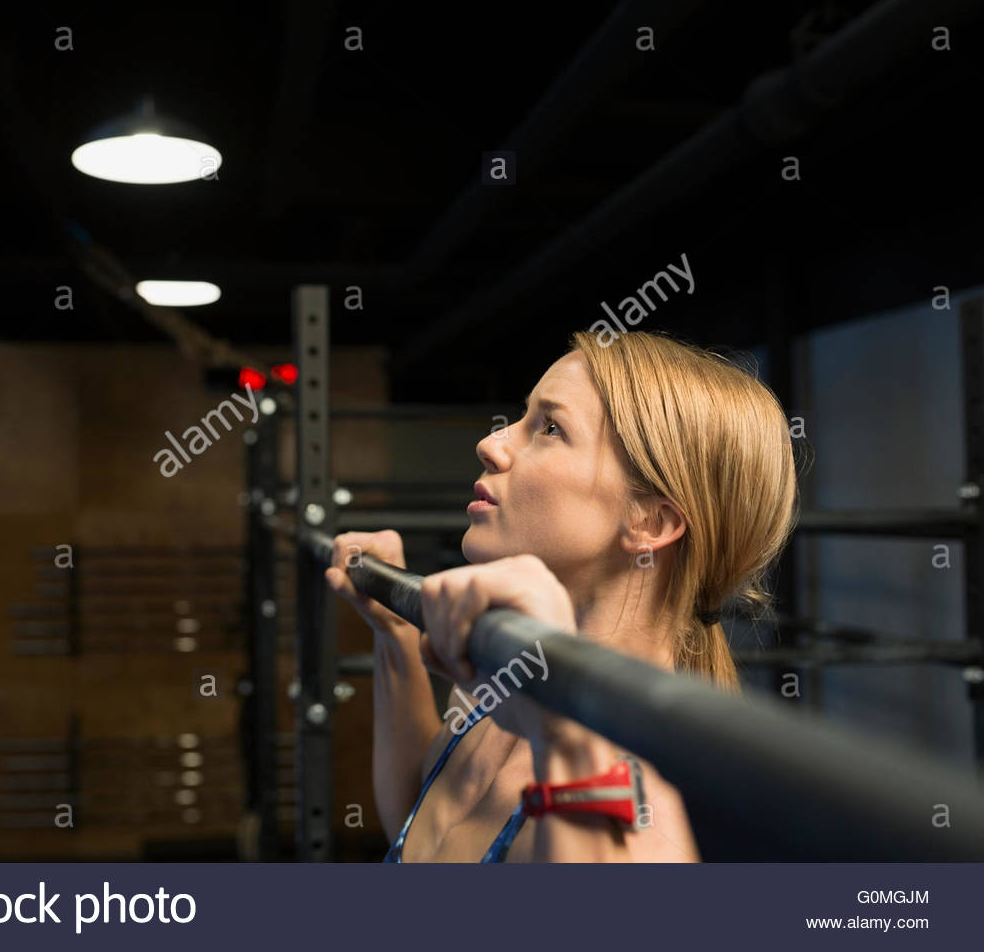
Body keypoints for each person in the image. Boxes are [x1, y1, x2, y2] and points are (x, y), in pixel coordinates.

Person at [326, 330, 799, 862]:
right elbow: (423, 831)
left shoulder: (654, 810)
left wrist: (566, 742)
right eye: (523, 418)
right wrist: (394, 633)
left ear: (651, 520)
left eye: (549, 427)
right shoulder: (509, 682)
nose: (491, 443)